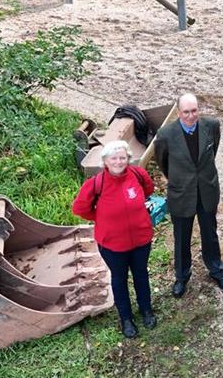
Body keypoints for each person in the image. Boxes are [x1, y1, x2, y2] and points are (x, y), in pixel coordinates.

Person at [72, 140, 156, 338]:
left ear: (128, 158)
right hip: (113, 244)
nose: (119, 162)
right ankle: (126, 318)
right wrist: (101, 217)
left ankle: (146, 310)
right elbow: (80, 208)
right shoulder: (95, 184)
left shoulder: (138, 174)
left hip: (141, 240)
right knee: (119, 279)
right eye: (114, 158)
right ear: (105, 162)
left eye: (122, 157)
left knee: (141, 274)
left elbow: (148, 190)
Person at [154, 93, 223, 296]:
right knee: (181, 238)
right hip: (181, 194)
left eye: (194, 110)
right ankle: (181, 277)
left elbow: (212, 151)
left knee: (210, 234)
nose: (191, 115)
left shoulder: (212, 126)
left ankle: (216, 269)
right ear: (178, 112)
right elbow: (163, 163)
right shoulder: (165, 135)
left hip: (206, 191)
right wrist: (181, 179)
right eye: (186, 112)